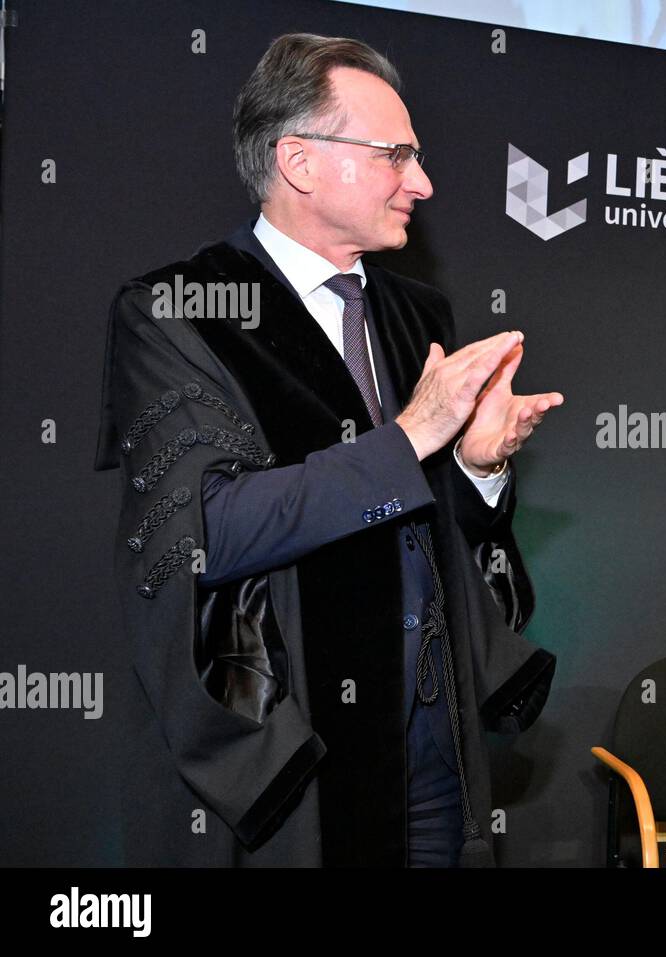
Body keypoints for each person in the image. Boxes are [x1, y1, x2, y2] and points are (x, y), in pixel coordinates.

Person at [92, 33, 563, 867]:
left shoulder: (419, 317)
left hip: (439, 758)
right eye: (396, 156)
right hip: (305, 763)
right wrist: (415, 433)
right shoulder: (180, 310)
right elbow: (210, 531)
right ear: (300, 161)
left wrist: (477, 468)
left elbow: (427, 525)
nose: (423, 183)